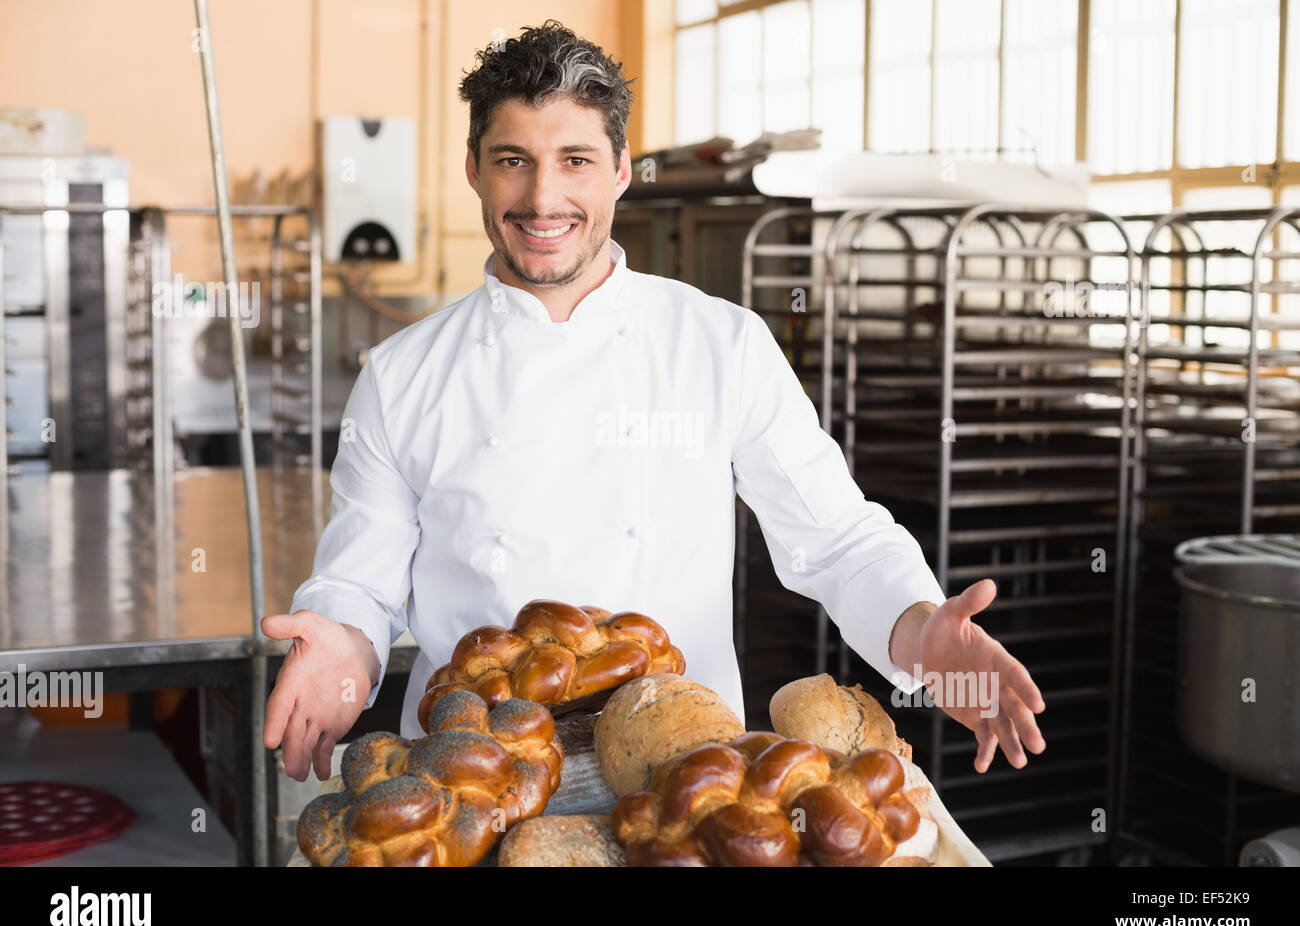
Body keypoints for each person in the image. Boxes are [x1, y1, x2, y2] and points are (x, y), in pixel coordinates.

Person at [262, 20, 1045, 784]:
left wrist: (921, 633)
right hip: (474, 787)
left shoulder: (721, 345)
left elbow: (836, 542)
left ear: (621, 170)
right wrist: (338, 644)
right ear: (473, 168)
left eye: (576, 160)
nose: (543, 197)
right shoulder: (401, 374)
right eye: (513, 160)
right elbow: (361, 583)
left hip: (684, 783)